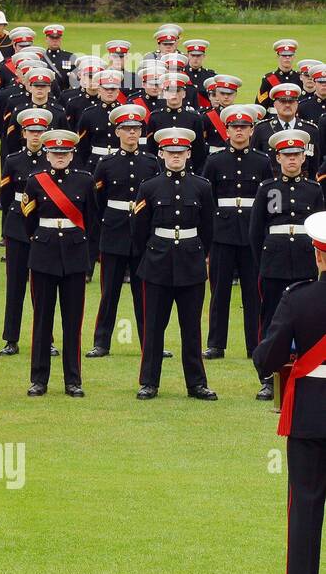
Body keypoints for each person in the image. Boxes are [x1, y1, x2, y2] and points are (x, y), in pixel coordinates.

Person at [253, 210, 326, 574]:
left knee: (304, 515)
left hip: (310, 417)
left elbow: (267, 358)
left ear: (318, 255)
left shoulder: (297, 299)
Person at [131, 128, 217, 400]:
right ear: (161, 154)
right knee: (154, 326)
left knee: (191, 328)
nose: (176, 157)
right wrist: (152, 252)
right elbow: (139, 229)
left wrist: (198, 253)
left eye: (180, 152)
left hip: (190, 262)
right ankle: (149, 382)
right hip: (157, 261)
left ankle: (196, 384)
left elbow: (208, 229)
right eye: (171, 152)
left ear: (189, 154)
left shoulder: (202, 186)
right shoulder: (149, 186)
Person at [22, 129, 98, 397]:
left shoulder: (85, 181)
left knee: (72, 322)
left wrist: (88, 258)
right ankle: (39, 379)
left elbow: (92, 220)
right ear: (47, 154)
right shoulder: (34, 182)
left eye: (64, 153)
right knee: (42, 320)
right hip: (43, 255)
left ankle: (72, 380)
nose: (60, 157)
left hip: (75, 256)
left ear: (72, 154)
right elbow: (29, 221)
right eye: (55, 153)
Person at [251, 128, 326, 399]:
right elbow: (255, 232)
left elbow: (319, 227)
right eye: (286, 155)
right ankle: (268, 377)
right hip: (274, 263)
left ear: (304, 158)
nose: (292, 160)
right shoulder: (267, 189)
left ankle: (304, 368)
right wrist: (263, 264)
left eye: (296, 154)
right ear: (278, 158)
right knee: (270, 319)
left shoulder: (313, 190)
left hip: (305, 262)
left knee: (307, 318)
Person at [86, 104, 160, 359]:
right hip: (114, 232)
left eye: (136, 129)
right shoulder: (106, 164)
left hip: (142, 237)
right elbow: (96, 203)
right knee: (109, 293)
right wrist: (98, 239)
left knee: (145, 294)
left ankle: (149, 344)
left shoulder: (151, 163)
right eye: (127, 129)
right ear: (117, 132)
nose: (131, 133)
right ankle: (102, 342)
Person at [201, 104, 271, 369]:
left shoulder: (263, 161)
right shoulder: (215, 161)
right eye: (234, 127)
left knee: (254, 294)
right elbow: (207, 201)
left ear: (252, 130)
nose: (239, 131)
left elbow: (267, 201)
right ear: (226, 130)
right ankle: (216, 344)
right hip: (222, 234)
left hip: (252, 236)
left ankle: (255, 344)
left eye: (244, 127)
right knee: (219, 292)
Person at [0, 108, 51, 356]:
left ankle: (46, 338)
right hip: (18, 227)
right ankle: (11, 338)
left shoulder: (52, 159)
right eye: (31, 131)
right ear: (23, 133)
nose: (36, 135)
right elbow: (6, 197)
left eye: (40, 131)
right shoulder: (13, 160)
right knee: (15, 286)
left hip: (44, 226)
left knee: (44, 288)